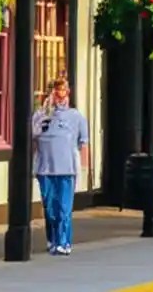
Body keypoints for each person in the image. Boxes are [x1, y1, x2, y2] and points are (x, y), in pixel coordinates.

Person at [32, 79, 89, 256]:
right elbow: (33, 135)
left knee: (64, 208)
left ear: (68, 93)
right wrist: (45, 112)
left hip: (67, 170)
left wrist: (84, 167)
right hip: (45, 169)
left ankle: (64, 242)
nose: (60, 97)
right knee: (50, 209)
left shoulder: (76, 116)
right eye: (56, 93)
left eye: (63, 92)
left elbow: (84, 143)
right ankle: (52, 240)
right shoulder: (40, 116)